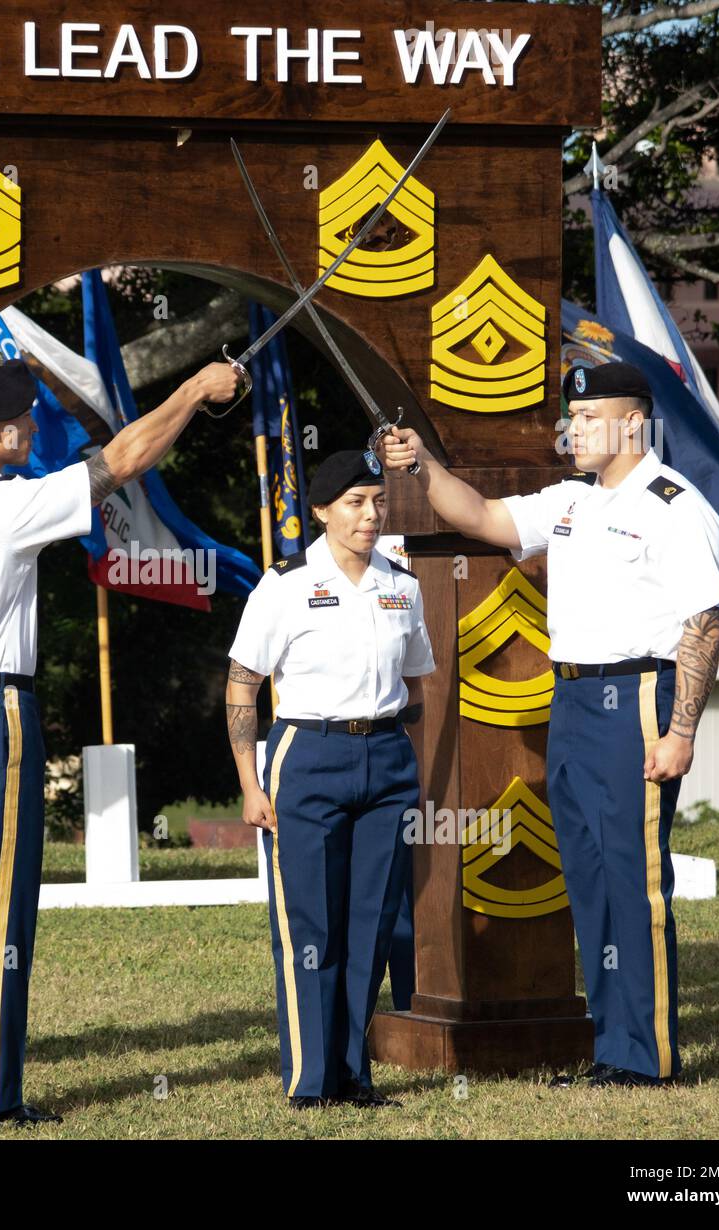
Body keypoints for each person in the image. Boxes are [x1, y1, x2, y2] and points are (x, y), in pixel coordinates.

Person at [0, 356, 240, 1125]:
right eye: (25, 417)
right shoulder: (3, 505)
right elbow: (125, 459)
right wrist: (193, 391)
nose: (35, 427)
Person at [379, 360, 719, 1088]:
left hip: (634, 698)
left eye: (589, 418)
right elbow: (484, 518)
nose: (573, 431)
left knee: (634, 880)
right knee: (591, 879)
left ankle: (648, 1054)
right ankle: (614, 1048)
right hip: (568, 700)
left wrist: (681, 733)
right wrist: (424, 465)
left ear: (633, 421)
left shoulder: (673, 505)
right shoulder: (572, 500)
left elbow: (703, 620)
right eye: (571, 419)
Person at [225, 449, 435, 1109]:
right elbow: (242, 686)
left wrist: (405, 759)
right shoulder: (283, 584)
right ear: (321, 511)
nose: (370, 514)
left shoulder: (403, 584)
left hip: (385, 757)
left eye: (377, 501)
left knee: (372, 923)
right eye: (354, 502)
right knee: (312, 926)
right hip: (307, 757)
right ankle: (311, 1081)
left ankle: (353, 1073)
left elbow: (417, 682)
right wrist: (250, 782)